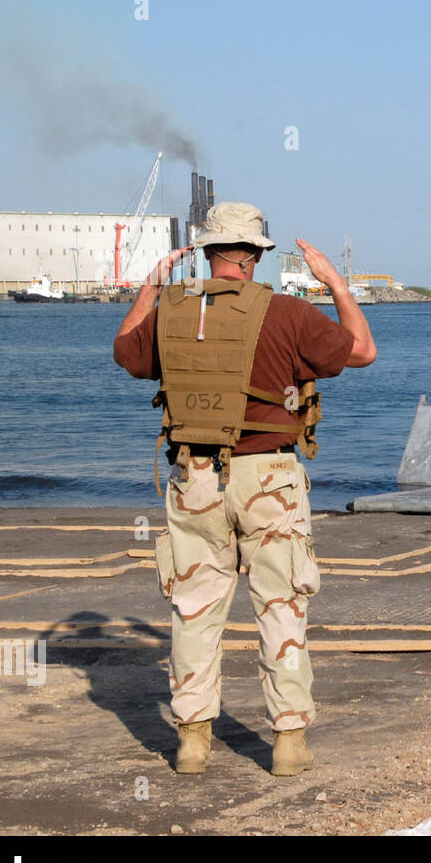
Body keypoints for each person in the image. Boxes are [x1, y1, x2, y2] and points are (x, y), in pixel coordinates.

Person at [112, 201, 377, 777]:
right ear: (257, 256)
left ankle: (192, 742)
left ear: (206, 253)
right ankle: (286, 743)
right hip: (269, 479)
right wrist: (335, 283)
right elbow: (362, 352)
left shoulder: (171, 311)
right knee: (281, 606)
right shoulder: (285, 312)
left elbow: (126, 353)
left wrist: (152, 287)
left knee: (194, 611)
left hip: (194, 479)